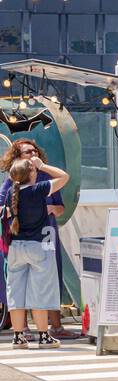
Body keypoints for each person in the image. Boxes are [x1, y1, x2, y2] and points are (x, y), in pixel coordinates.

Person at [0, 139, 70, 338]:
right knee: (42, 289)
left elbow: (59, 206)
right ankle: (43, 334)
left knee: (16, 292)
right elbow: (64, 177)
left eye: (34, 151)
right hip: (39, 243)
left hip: (17, 245)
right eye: (27, 152)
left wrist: (15, 213)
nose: (32, 155)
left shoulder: (13, 192)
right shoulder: (39, 188)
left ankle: (18, 335)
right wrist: (43, 166)